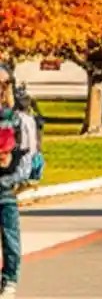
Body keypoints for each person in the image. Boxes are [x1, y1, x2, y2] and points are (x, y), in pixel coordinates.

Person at [0, 67, 36, 297]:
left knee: (10, 237)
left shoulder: (20, 119)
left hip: (4, 187)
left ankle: (9, 281)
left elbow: (28, 156)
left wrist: (10, 182)